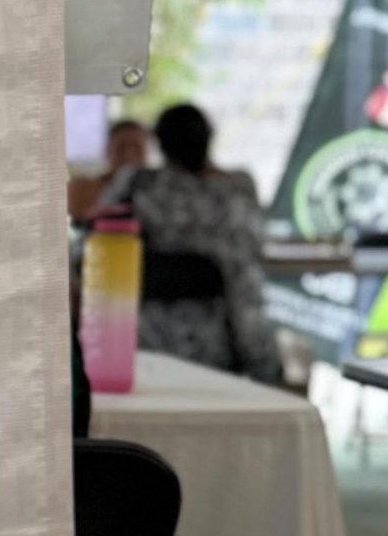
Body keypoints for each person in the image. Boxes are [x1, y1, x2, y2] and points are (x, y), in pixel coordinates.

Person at [108, 102, 279, 379]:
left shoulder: (139, 185)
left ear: (159, 144)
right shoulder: (239, 190)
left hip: (144, 345)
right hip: (224, 344)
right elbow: (246, 271)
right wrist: (258, 355)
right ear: (210, 137)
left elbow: (96, 248)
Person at [64, 114, 149, 222]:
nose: (129, 155)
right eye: (121, 148)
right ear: (107, 151)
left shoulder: (160, 193)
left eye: (137, 147)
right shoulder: (82, 188)